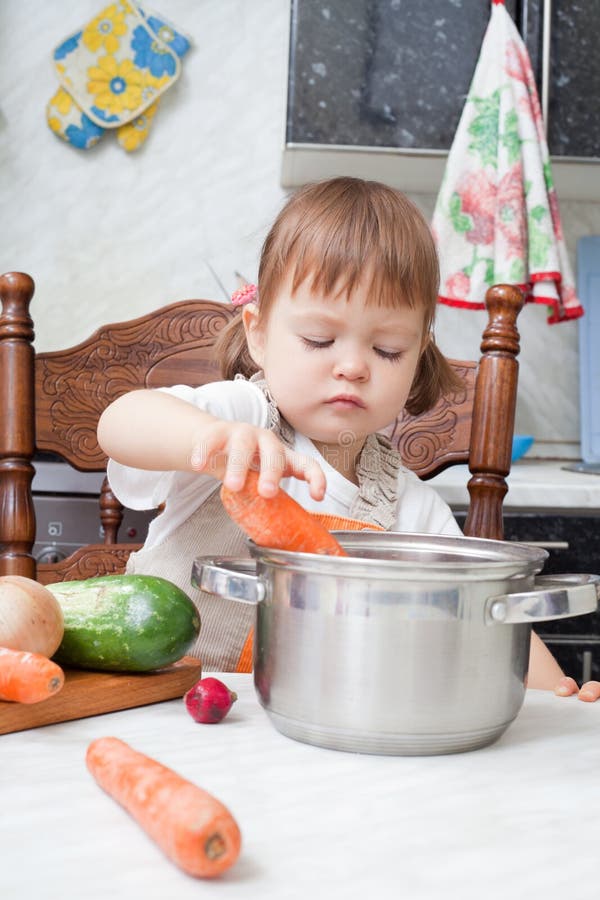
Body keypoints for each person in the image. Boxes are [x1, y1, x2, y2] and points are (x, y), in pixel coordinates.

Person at [97, 176, 599, 701]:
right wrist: (208, 437)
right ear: (260, 334)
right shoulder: (242, 416)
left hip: (307, 730)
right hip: (165, 710)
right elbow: (121, 422)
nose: (354, 366)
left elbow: (486, 615)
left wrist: (558, 695)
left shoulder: (408, 505)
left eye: (387, 350)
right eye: (320, 339)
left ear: (417, 359)